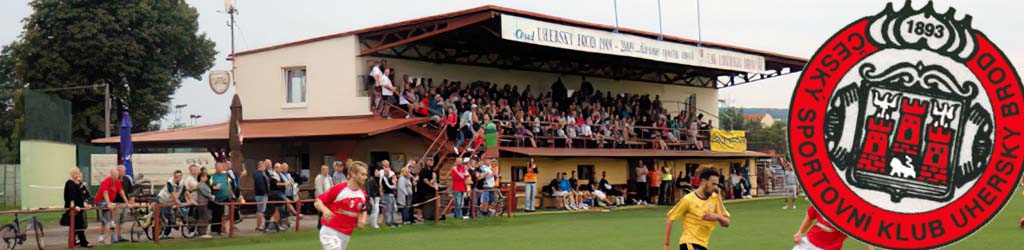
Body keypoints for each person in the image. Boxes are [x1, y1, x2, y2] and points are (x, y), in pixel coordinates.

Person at [664, 169, 731, 250]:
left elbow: (726, 223)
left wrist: (717, 217)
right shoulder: (688, 199)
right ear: (703, 182)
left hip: (703, 245)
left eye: (716, 184)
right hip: (689, 243)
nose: (715, 187)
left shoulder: (714, 198)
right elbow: (670, 217)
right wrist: (666, 245)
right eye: (713, 184)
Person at [315, 161, 370, 250]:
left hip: (345, 234)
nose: (365, 177)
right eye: (362, 174)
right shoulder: (339, 189)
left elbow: (363, 209)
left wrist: (362, 219)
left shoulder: (362, 194)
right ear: (353, 174)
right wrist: (325, 210)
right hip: (330, 231)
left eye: (366, 175)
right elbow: (318, 201)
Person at [793, 204, 876, 250]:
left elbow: (865, 233)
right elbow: (810, 216)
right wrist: (800, 232)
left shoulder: (852, 213)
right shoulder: (823, 200)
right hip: (807, 243)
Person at [95, 168, 129, 244]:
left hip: (110, 202)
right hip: (101, 201)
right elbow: (105, 193)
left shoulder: (117, 182)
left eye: (117, 175)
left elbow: (121, 191)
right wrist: (108, 203)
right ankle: (107, 235)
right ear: (111, 174)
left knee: (110, 215)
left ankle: (111, 233)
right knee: (107, 218)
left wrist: (127, 202)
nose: (116, 176)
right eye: (115, 175)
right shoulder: (106, 182)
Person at [64, 167, 92, 248]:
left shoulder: (80, 184)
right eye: (76, 174)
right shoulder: (69, 183)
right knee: (78, 225)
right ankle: (83, 242)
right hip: (73, 208)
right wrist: (74, 206)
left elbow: (86, 194)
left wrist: (88, 203)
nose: (79, 176)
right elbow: (69, 197)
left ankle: (74, 241)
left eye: (79, 174)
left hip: (81, 207)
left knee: (80, 225)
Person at [156, 170, 186, 239]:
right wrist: (178, 202)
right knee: (163, 217)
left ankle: (166, 234)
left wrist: (181, 200)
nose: (178, 178)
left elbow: (182, 193)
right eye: (176, 176)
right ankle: (158, 233)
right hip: (162, 200)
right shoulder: (170, 182)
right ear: (174, 176)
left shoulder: (182, 183)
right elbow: (173, 194)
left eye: (179, 176)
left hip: (170, 202)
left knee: (170, 217)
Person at [209, 162, 236, 235]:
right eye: (218, 167)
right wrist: (215, 188)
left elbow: (231, 184)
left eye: (221, 167)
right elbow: (210, 186)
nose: (219, 168)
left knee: (227, 214)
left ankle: (224, 228)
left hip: (226, 197)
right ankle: (215, 230)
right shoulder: (212, 176)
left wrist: (231, 193)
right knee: (217, 214)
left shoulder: (226, 176)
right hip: (217, 198)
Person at [112, 165, 135, 243]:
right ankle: (114, 237)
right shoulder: (113, 180)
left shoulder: (127, 179)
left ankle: (119, 236)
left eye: (123, 171)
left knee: (122, 221)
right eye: (120, 171)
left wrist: (131, 201)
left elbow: (131, 191)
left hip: (125, 204)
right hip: (116, 203)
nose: (122, 173)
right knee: (116, 221)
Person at [194, 171, 215, 239]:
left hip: (206, 203)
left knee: (206, 217)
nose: (206, 177)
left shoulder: (204, 184)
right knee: (203, 217)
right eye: (205, 176)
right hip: (202, 203)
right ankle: (201, 232)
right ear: (202, 177)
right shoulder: (200, 185)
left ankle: (204, 231)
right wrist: (211, 196)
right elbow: (205, 193)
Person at [379, 160, 399, 227]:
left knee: (393, 209)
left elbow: (394, 185)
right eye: (386, 171)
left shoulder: (390, 178)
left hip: (391, 195)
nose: (388, 172)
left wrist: (394, 183)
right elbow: (387, 187)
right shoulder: (383, 179)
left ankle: (393, 221)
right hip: (387, 195)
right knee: (388, 209)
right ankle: (389, 222)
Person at [253, 160, 271, 232]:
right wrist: (265, 192)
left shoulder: (262, 174)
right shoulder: (259, 174)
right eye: (264, 166)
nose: (265, 167)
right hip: (261, 195)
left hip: (261, 194)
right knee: (260, 210)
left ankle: (260, 225)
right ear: (261, 166)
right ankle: (259, 225)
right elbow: (260, 184)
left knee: (261, 210)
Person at [315, 165, 334, 229]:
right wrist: (321, 197)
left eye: (327, 169)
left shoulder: (329, 177)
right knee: (321, 211)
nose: (326, 171)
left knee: (328, 210)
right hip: (322, 197)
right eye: (325, 169)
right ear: (322, 170)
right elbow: (318, 188)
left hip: (328, 196)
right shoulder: (319, 177)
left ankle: (327, 223)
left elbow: (331, 186)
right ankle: (320, 225)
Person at [365, 161, 381, 229]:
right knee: (375, 209)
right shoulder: (371, 180)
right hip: (373, 197)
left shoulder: (376, 179)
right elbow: (369, 190)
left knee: (376, 210)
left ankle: (374, 223)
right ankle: (374, 223)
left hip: (376, 196)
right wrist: (371, 197)